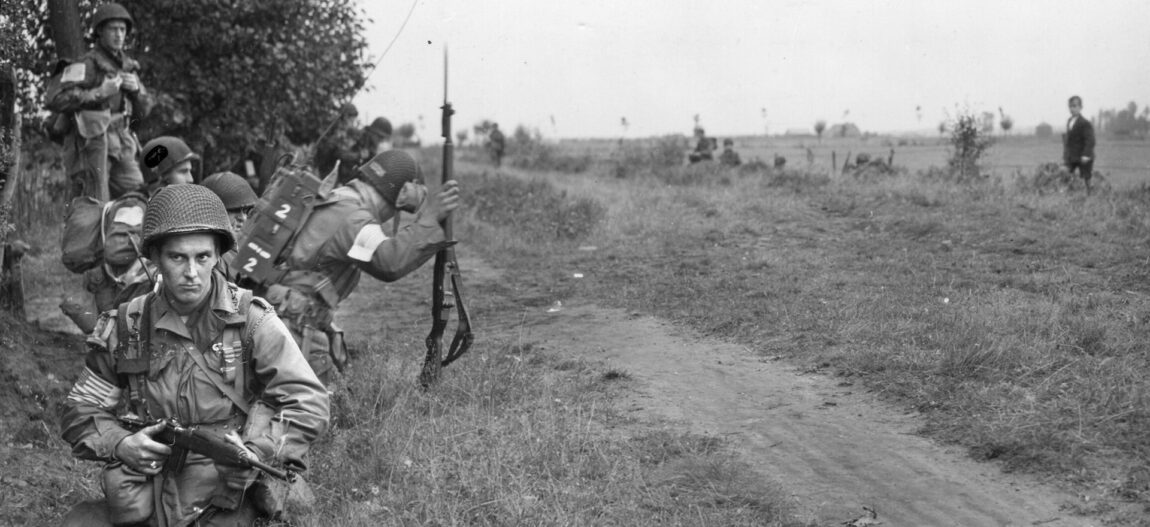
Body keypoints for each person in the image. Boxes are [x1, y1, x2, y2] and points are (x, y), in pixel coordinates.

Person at [59, 184, 330, 527]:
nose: (191, 272)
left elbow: (308, 401)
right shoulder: (129, 325)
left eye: (202, 257)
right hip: (150, 488)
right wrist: (122, 443)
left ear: (217, 256)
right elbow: (81, 408)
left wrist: (258, 450)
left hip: (229, 494)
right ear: (155, 258)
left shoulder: (251, 320)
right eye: (177, 257)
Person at [251, 150, 459, 385]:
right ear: (402, 194)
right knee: (312, 403)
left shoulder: (339, 198)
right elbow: (389, 261)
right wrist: (430, 219)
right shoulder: (353, 218)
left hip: (276, 314)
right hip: (289, 325)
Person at [45, 2, 152, 200]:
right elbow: (56, 99)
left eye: (122, 30)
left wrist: (136, 91)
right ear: (100, 31)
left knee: (138, 198)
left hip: (123, 141)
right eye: (113, 29)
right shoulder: (86, 64)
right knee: (95, 201)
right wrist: (99, 92)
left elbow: (145, 110)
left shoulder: (128, 67)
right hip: (93, 142)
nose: (119, 35)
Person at [202, 171, 258, 277]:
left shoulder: (243, 250)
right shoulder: (211, 258)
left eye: (246, 211)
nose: (243, 218)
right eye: (234, 210)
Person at [314, 103, 364, 185]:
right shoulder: (338, 132)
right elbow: (339, 153)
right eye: (351, 120)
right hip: (324, 169)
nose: (352, 123)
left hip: (324, 167)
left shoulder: (334, 127)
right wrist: (358, 156)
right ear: (346, 117)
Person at [1063, 95, 1096, 194]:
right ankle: (1071, 196)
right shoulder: (1069, 121)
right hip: (1072, 156)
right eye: (1070, 106)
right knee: (1067, 176)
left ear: (1080, 107)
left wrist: (1086, 155)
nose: (1072, 109)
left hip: (1083, 157)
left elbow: (1090, 140)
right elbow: (1069, 140)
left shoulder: (1085, 123)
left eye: (1074, 106)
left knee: (1086, 177)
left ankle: (1090, 196)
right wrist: (1066, 155)